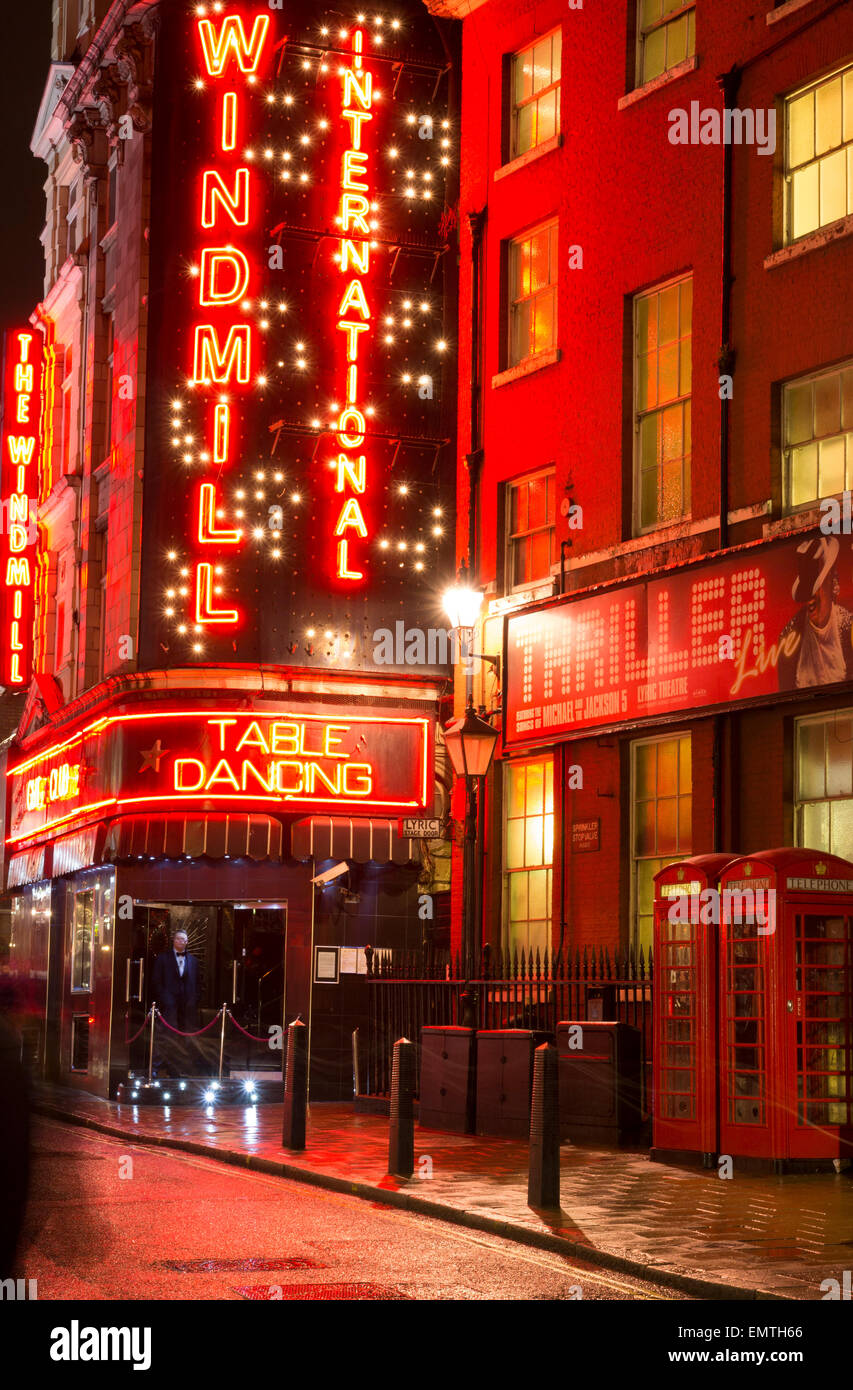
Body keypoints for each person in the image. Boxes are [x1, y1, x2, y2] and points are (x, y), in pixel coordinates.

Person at [777, 536, 853, 690]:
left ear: (832, 583)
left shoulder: (849, 628)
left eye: (815, 587)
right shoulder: (789, 639)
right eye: (806, 591)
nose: (810, 599)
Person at [151, 931, 200, 1075]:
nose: (181, 942)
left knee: (184, 1038)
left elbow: (197, 983)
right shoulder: (162, 959)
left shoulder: (193, 961)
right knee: (164, 1036)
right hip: (168, 1005)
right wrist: (164, 998)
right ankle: (156, 1067)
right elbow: (156, 981)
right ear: (174, 940)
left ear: (187, 942)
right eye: (179, 939)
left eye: (184, 940)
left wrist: (194, 1000)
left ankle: (178, 1068)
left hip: (186, 1006)